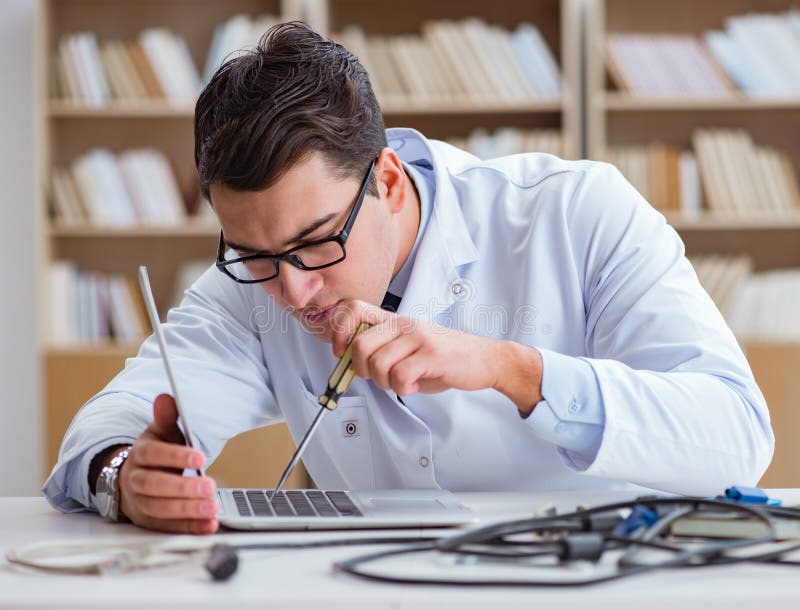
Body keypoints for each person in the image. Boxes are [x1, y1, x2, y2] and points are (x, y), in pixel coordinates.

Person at [44, 22, 773, 534]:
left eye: (315, 243)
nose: (293, 292)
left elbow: (736, 434)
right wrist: (123, 476)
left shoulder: (576, 212)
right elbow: (107, 426)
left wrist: (508, 369)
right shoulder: (253, 284)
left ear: (388, 181)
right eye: (256, 255)